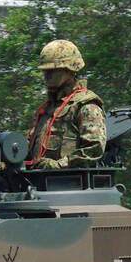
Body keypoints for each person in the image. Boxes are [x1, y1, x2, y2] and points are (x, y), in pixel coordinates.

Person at [24, 40, 107, 171]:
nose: (47, 76)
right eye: (45, 71)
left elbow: (93, 148)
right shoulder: (47, 108)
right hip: (39, 182)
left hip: (69, 184)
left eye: (53, 71)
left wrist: (60, 164)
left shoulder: (86, 106)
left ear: (70, 70)